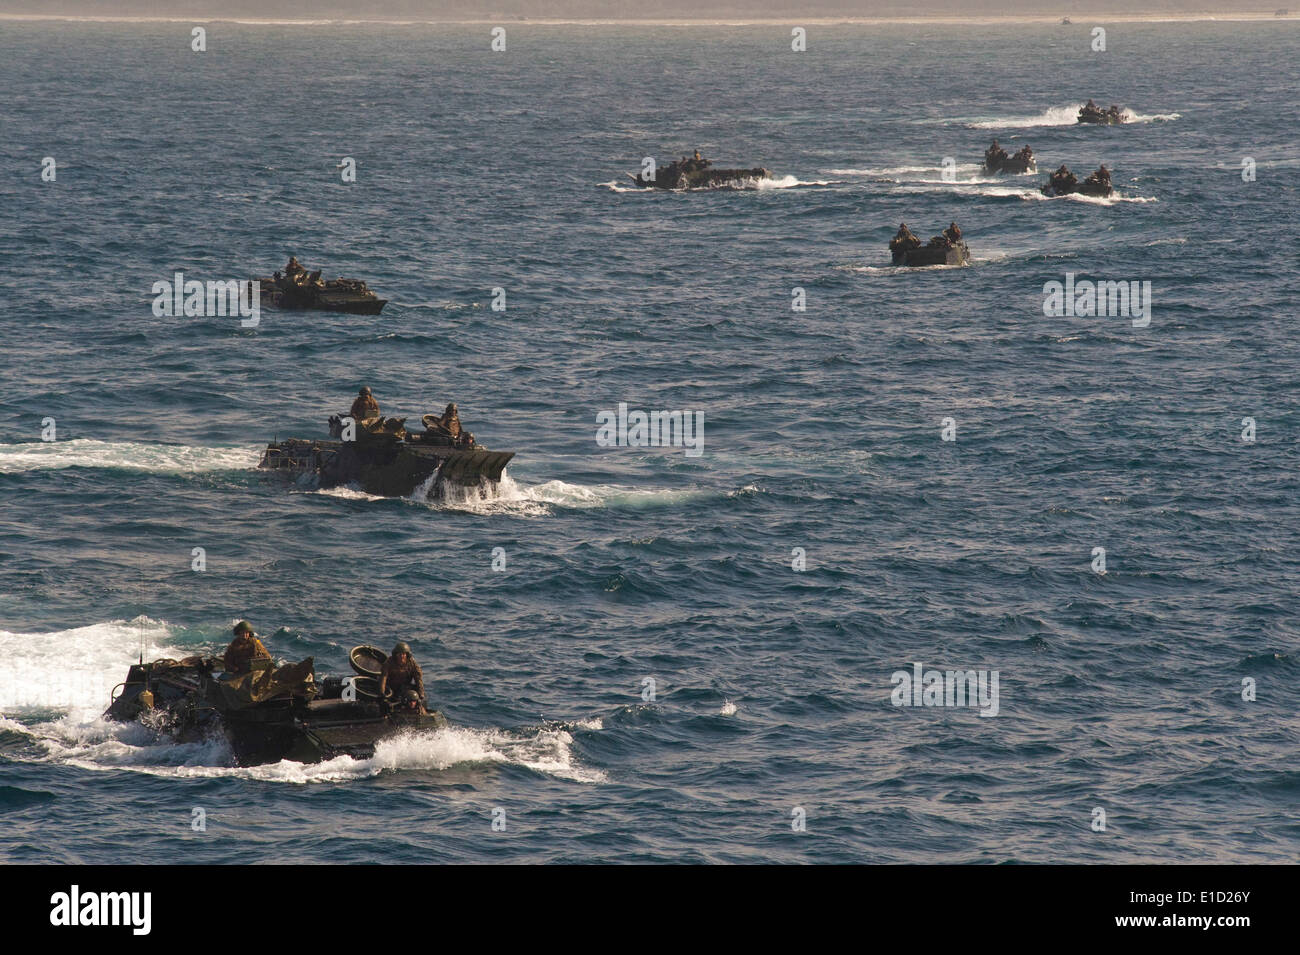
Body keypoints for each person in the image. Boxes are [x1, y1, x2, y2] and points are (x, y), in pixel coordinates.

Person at [378, 642, 426, 712]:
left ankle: (417, 710)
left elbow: (418, 678)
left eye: (404, 654)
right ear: (396, 654)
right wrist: (382, 694)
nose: (402, 656)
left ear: (407, 655)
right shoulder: (389, 662)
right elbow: (383, 678)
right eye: (399, 654)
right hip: (390, 687)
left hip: (404, 687)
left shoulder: (411, 663)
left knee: (416, 695)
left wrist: (421, 694)